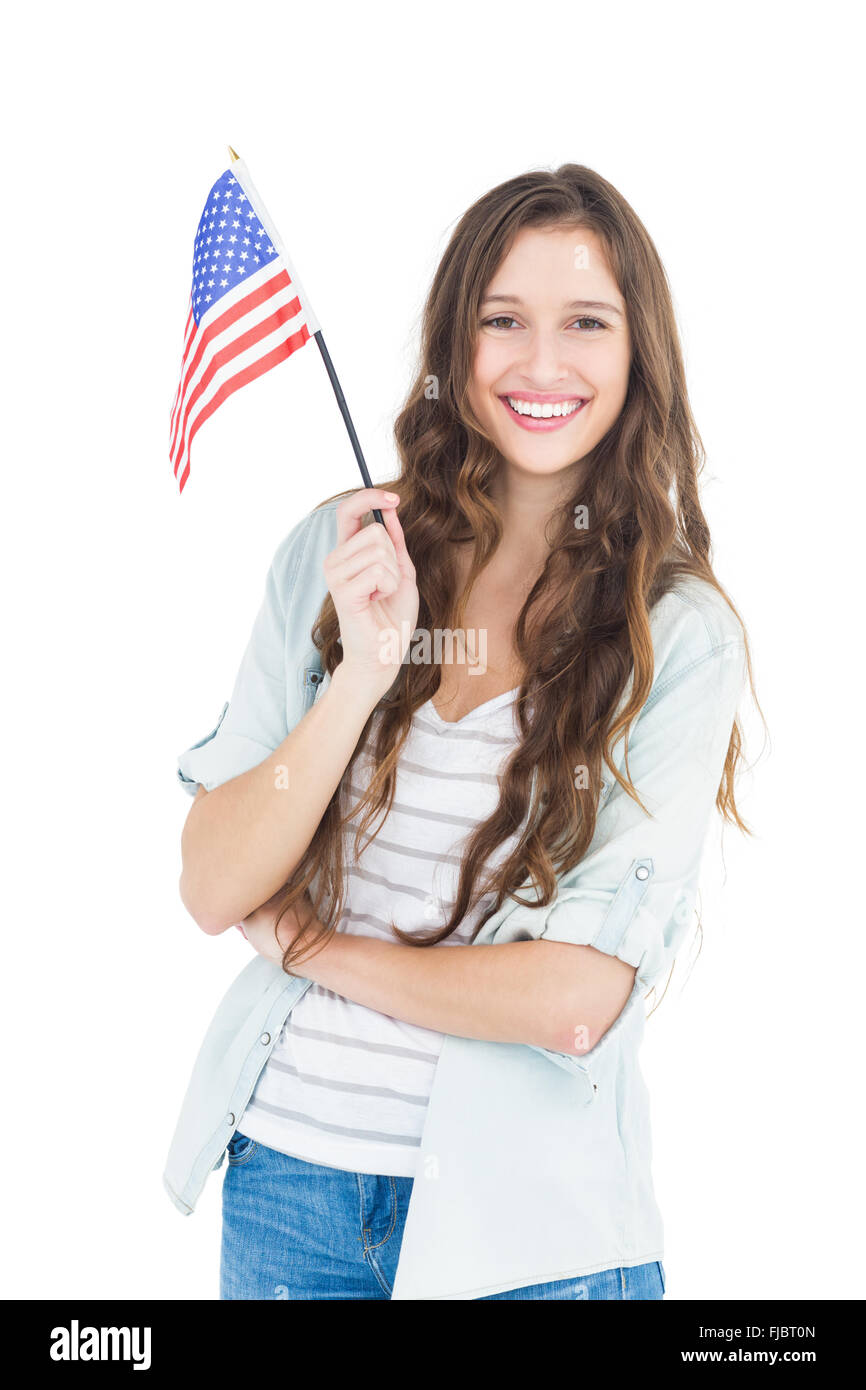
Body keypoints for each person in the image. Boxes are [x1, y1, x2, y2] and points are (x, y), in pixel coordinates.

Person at [165, 163, 758, 1301]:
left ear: (639, 351)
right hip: (290, 1195)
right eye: (503, 321)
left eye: (585, 322)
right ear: (455, 342)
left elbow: (574, 1001)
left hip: (528, 1236)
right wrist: (360, 677)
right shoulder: (339, 555)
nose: (542, 363)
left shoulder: (676, 635)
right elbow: (211, 883)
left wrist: (312, 949)